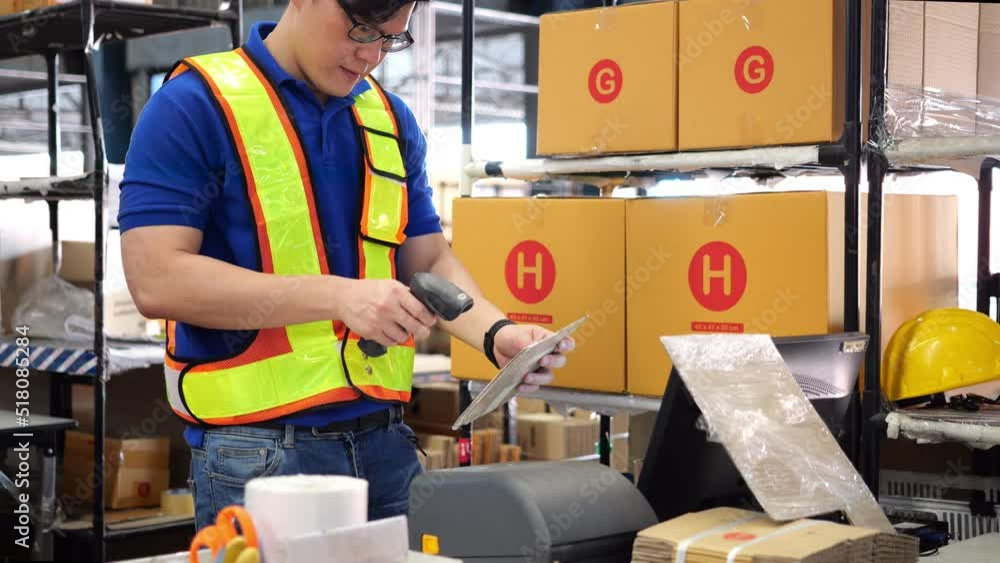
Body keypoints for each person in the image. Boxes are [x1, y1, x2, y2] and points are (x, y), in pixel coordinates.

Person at [118, 0, 574, 531]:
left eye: (390, 38)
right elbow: (156, 278)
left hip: (384, 444)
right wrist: (340, 297)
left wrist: (495, 334)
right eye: (360, 29)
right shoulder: (195, 105)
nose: (371, 54)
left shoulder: (386, 116)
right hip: (259, 455)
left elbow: (424, 257)